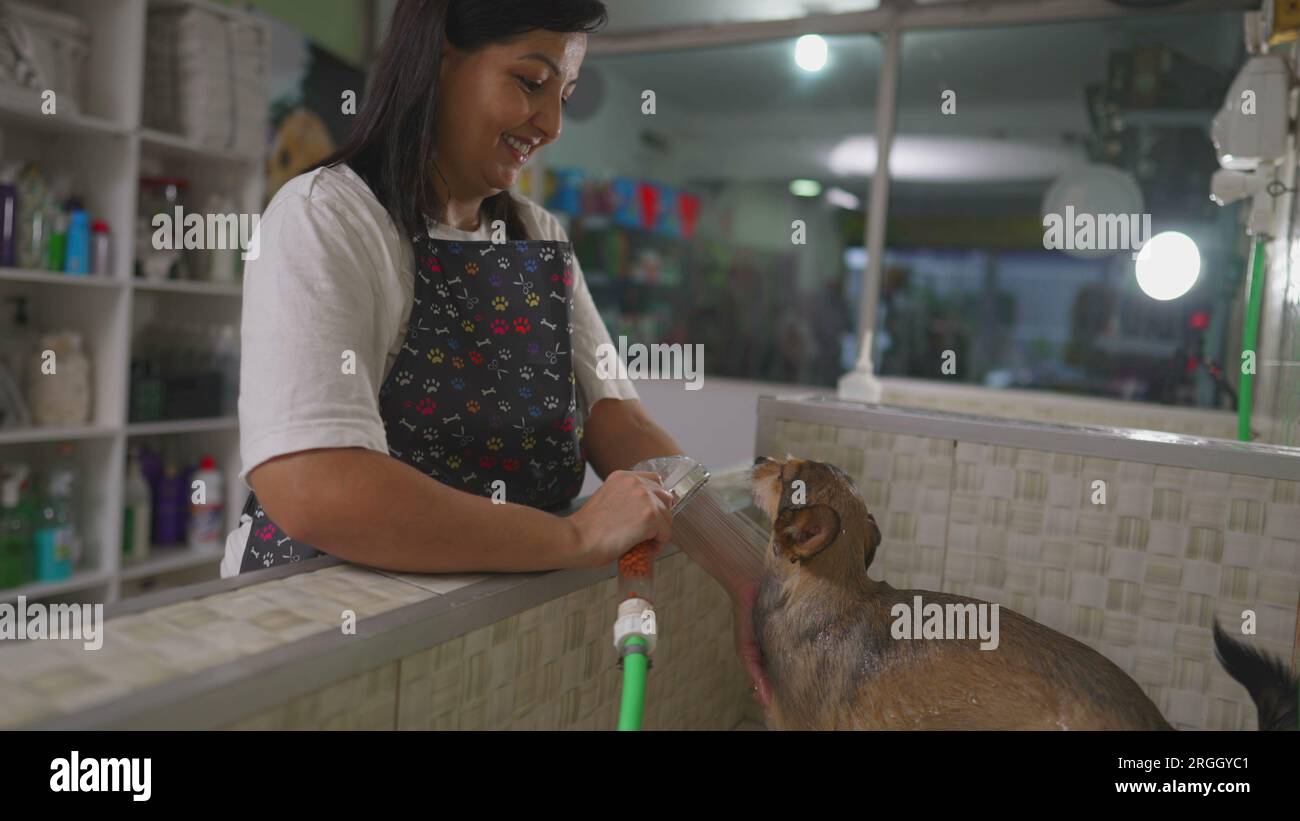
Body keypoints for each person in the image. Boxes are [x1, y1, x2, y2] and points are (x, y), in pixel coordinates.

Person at [218, 0, 769, 705]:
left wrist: (743, 570)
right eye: (531, 82)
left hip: (483, 655)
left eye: (563, 96)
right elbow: (317, 486)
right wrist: (572, 537)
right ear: (442, 55)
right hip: (329, 652)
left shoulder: (536, 235)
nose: (552, 125)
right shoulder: (326, 218)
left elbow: (619, 424)